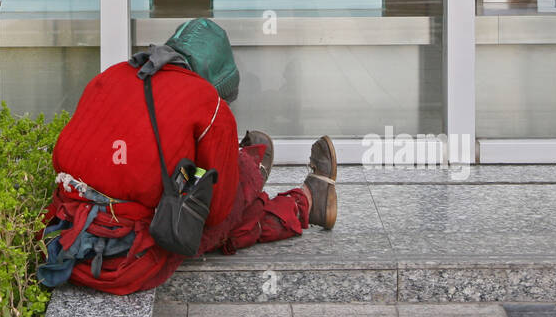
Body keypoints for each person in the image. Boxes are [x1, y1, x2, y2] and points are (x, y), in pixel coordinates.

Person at [37, 19, 338, 295]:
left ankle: (289, 190)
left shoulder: (111, 74)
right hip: (128, 262)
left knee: (192, 186)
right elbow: (216, 214)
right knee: (234, 204)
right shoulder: (207, 101)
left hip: (60, 243)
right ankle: (295, 198)